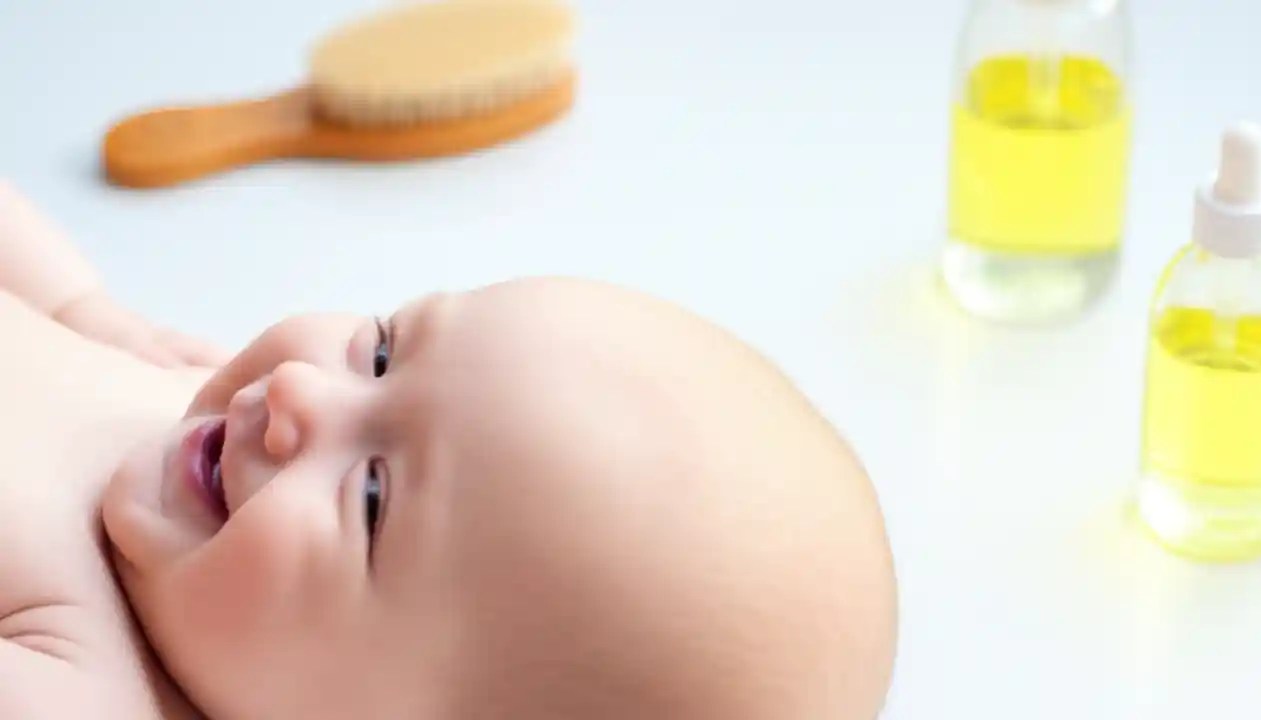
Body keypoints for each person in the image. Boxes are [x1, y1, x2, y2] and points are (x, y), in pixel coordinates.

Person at [0, 182, 898, 719]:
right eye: (384, 351)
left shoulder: (87, 689)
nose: (302, 395)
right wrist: (85, 310)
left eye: (374, 502)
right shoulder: (201, 410)